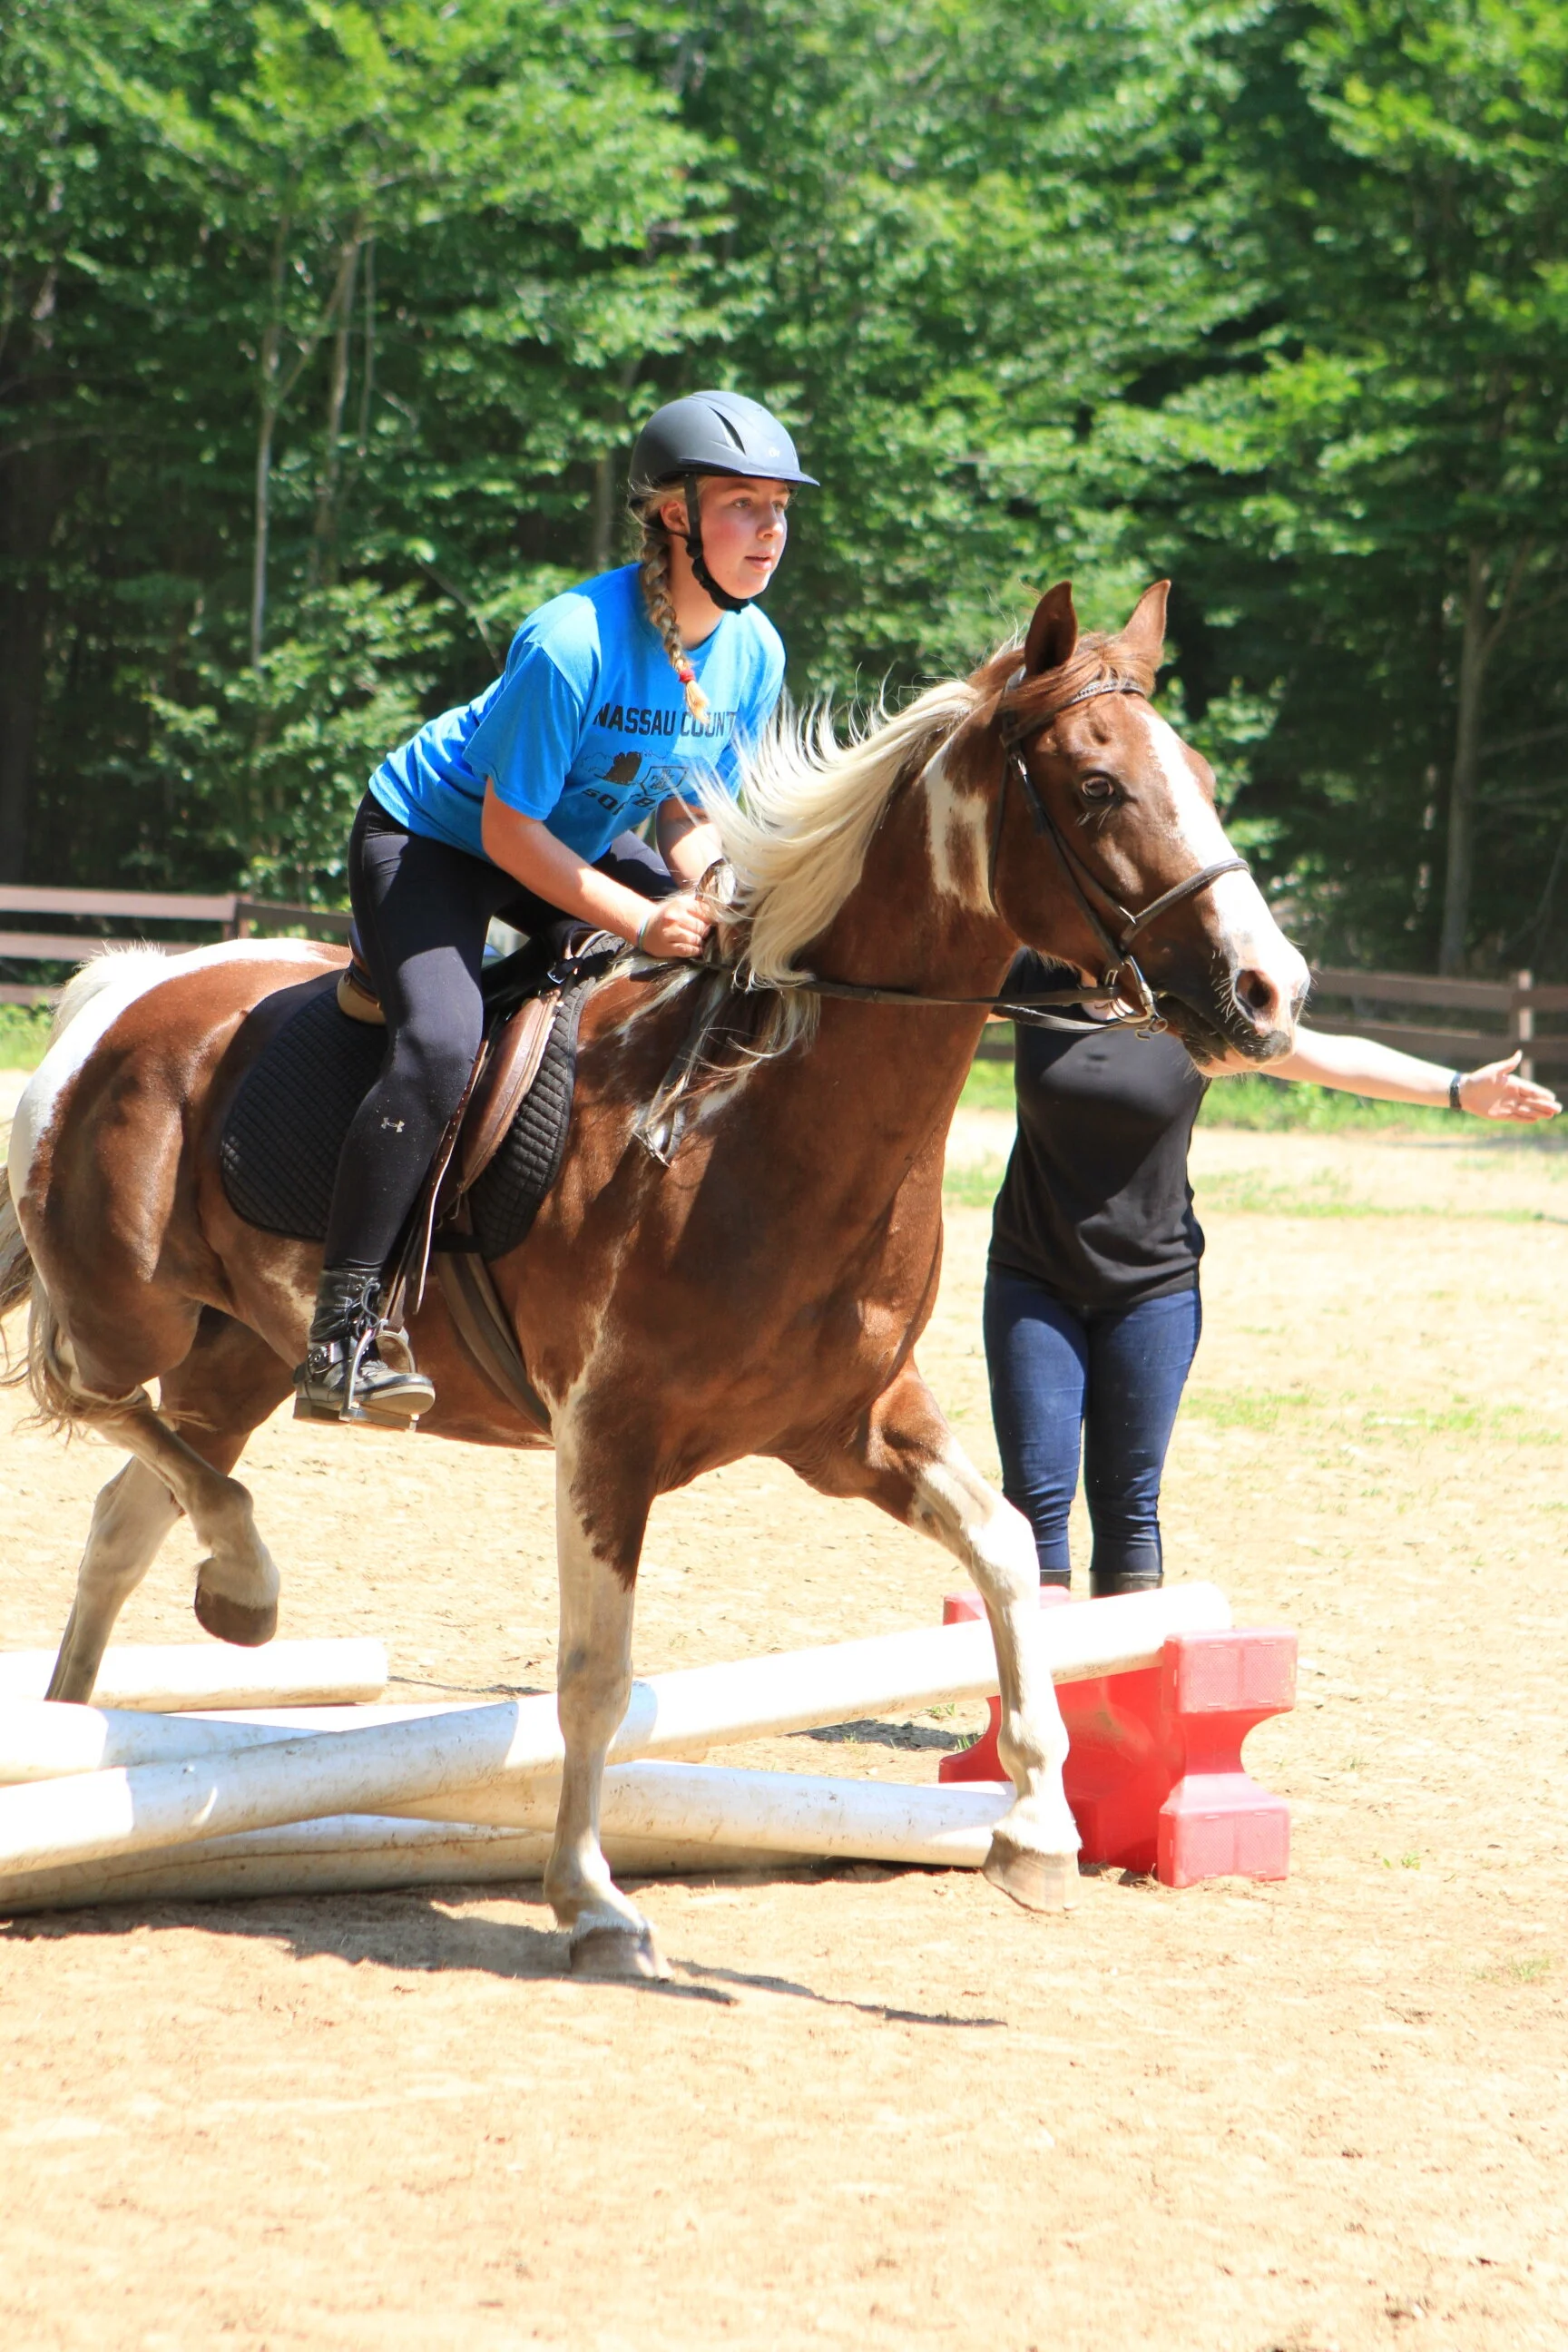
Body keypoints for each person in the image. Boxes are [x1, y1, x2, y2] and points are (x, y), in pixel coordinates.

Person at [296, 390, 815, 1426]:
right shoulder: (570, 639)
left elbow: (685, 800)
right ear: (675, 517)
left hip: (571, 835)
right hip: (439, 840)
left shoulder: (754, 651)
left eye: (780, 509)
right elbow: (505, 835)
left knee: (732, 959)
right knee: (441, 1044)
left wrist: (709, 888)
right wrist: (638, 920)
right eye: (744, 506)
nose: (770, 530)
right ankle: (342, 1329)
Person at [984, 955, 1561, 1594]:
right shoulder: (1034, 984)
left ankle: (1118, 1694)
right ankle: (1038, 1690)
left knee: (1127, 1509)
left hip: (1152, 1293)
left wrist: (1458, 1089)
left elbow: (1328, 1057)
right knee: (1033, 1508)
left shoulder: (1185, 1005)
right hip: (1031, 1281)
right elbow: (906, 994)